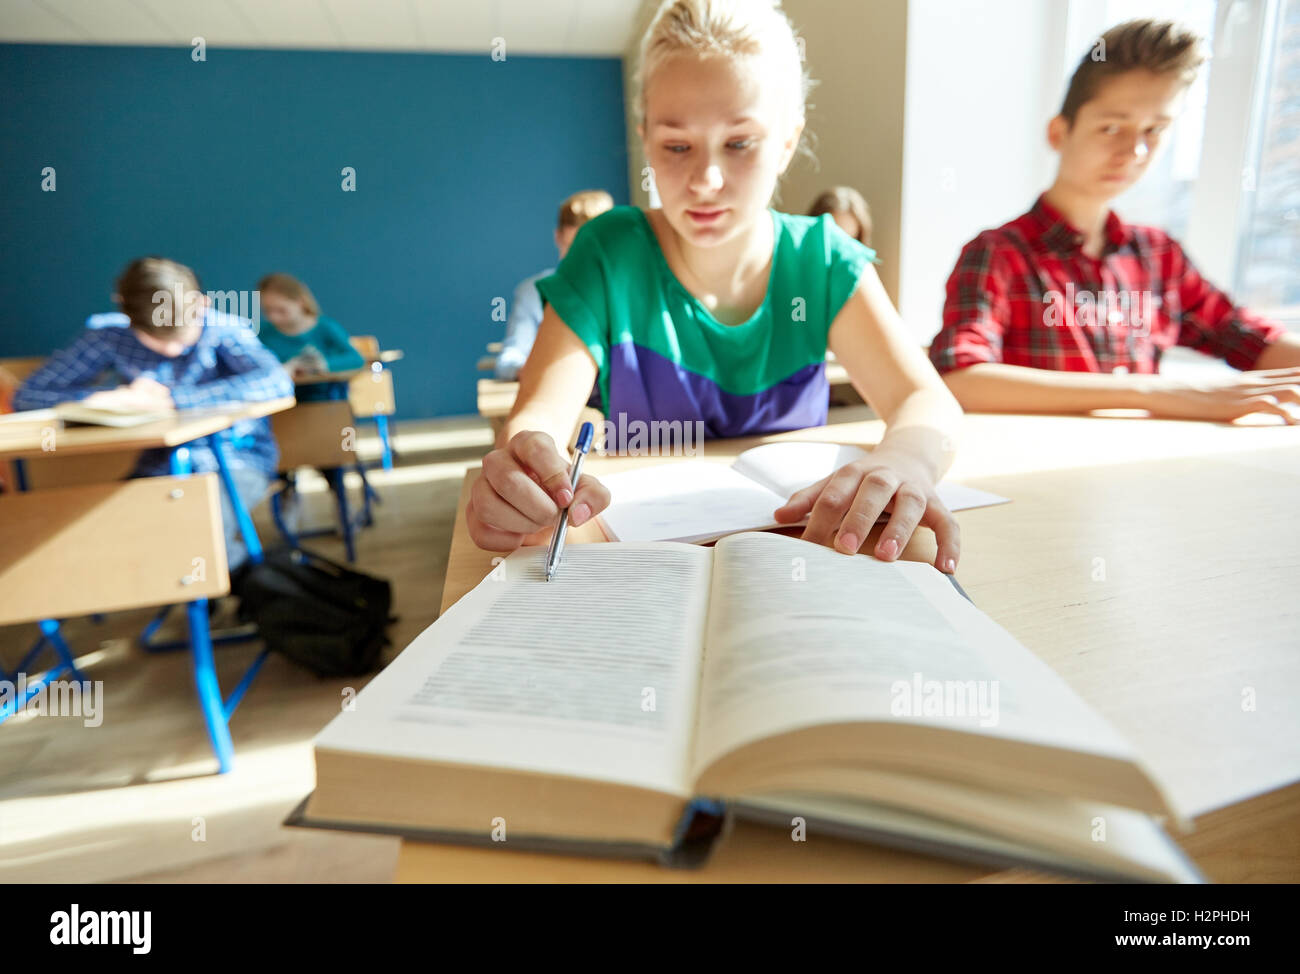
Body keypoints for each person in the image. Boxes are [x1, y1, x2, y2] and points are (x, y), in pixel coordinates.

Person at [468, 0, 964, 575]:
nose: (705, 182)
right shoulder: (608, 252)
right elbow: (539, 419)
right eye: (676, 146)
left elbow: (927, 402)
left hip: (809, 561)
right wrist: (523, 473)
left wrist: (906, 459)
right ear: (645, 136)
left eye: (740, 143)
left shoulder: (824, 260)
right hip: (642, 565)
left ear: (786, 141)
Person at [930, 18, 1300, 423]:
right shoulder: (997, 254)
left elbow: (1246, 337)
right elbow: (960, 377)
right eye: (1111, 127)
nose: (1135, 150)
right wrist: (1155, 392)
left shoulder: (1159, 255)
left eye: (1154, 130)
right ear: (1058, 132)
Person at [14, 257, 293, 570]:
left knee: (199, 528)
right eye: (157, 337)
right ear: (127, 317)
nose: (172, 349)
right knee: (103, 530)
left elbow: (276, 382)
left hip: (236, 460)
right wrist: (108, 397)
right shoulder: (110, 335)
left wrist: (175, 399)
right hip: (157, 465)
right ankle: (228, 585)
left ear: (201, 305)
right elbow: (30, 396)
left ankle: (239, 585)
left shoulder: (222, 329)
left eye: (180, 334)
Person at [493, 190, 615, 381]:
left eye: (588, 252)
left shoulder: (625, 294)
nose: (579, 262)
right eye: (571, 248)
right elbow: (510, 359)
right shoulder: (534, 292)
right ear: (558, 238)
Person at [256, 272, 364, 402]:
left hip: (324, 401)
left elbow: (356, 359)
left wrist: (323, 364)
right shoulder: (262, 333)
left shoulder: (325, 327)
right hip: (282, 402)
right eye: (267, 311)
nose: (274, 317)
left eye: (281, 310)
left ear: (299, 302)